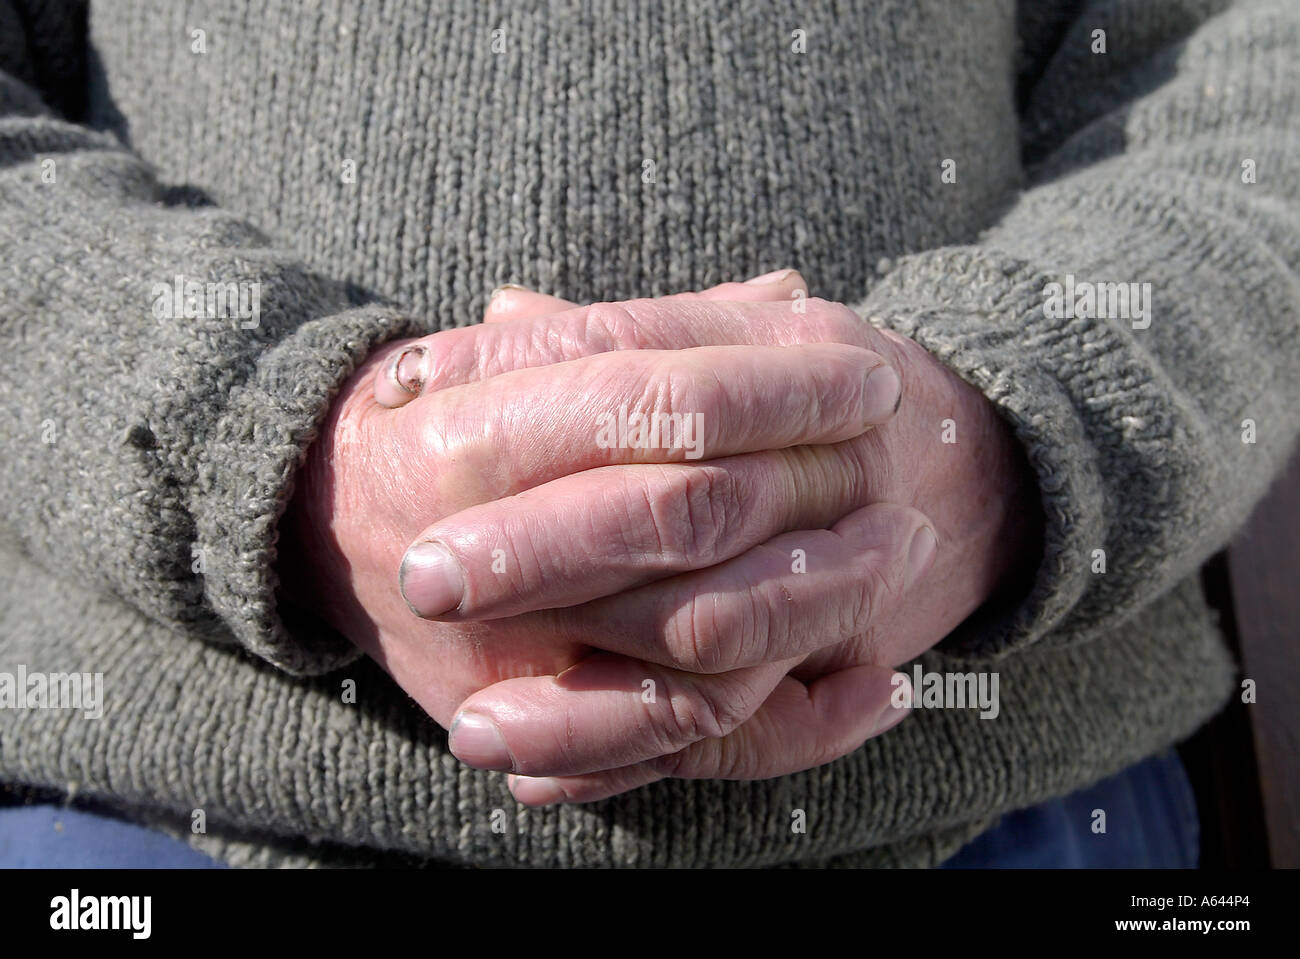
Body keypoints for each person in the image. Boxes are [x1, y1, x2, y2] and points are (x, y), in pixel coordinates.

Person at [0, 0, 1295, 869]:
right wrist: (275, 443)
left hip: (1013, 802)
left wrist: (1001, 442)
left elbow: (1244, 83)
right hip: (151, 814)